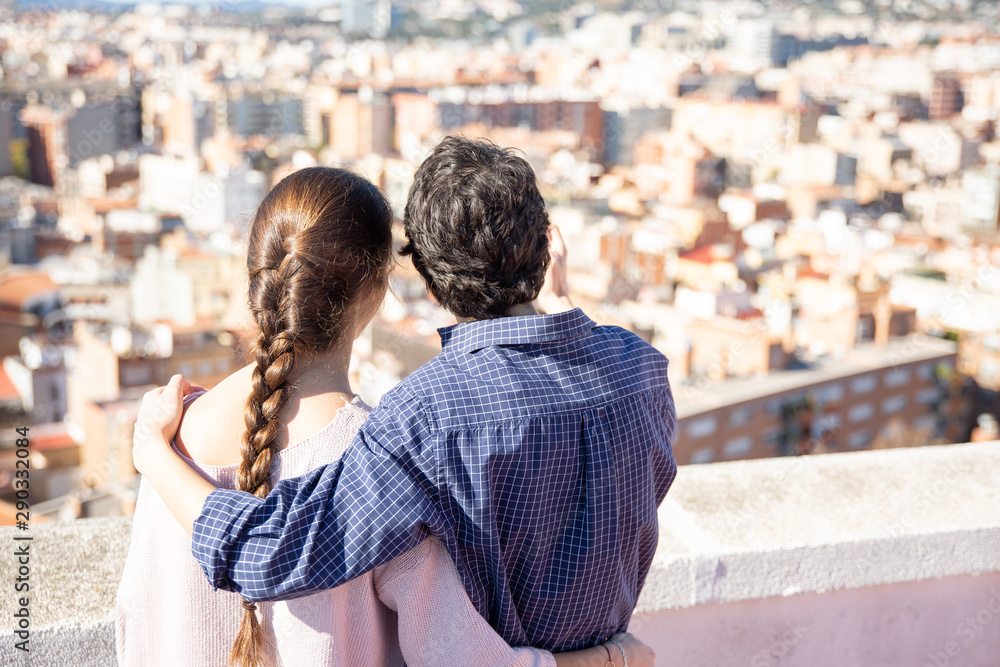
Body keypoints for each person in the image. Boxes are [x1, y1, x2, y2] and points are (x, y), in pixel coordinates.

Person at [133, 137, 677, 657]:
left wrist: (155, 454)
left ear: (430, 282)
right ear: (546, 246)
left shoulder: (427, 417)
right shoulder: (644, 372)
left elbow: (269, 555)